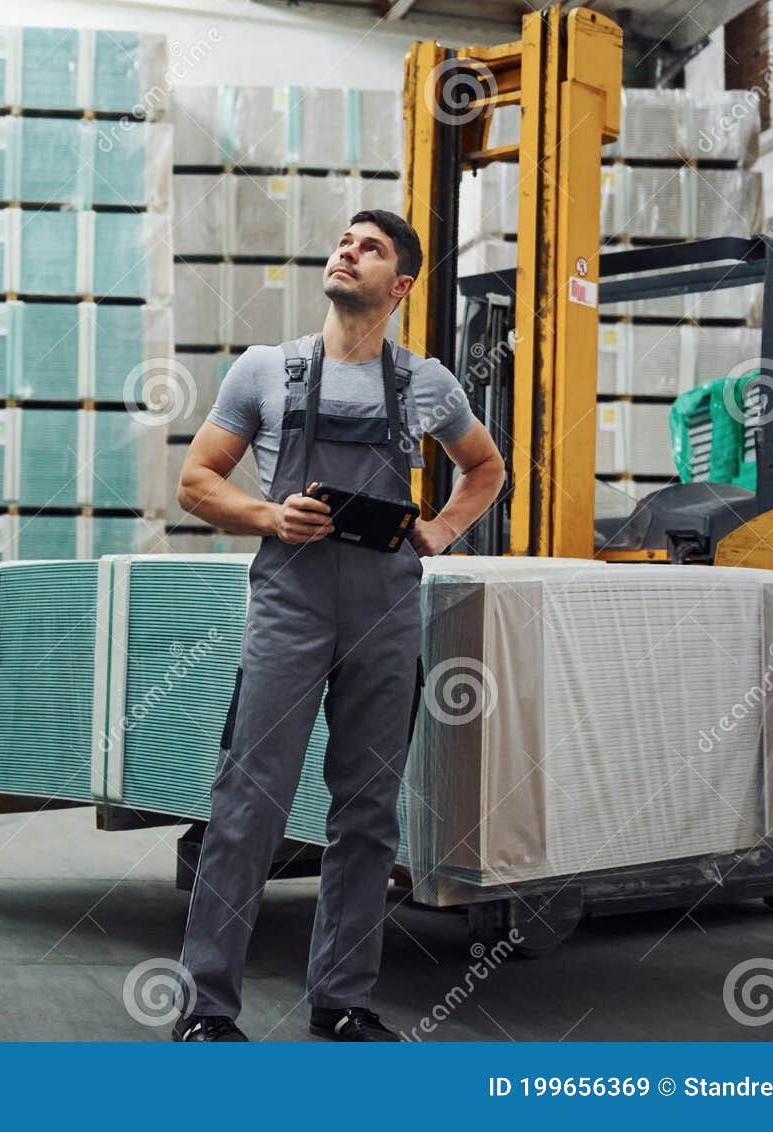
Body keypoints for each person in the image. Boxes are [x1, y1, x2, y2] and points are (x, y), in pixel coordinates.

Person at [170, 210, 505, 1042]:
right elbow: (195, 482)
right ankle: (207, 1008)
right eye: (344, 240)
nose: (347, 251)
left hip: (386, 610)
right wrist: (267, 515)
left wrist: (438, 532)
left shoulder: (427, 384)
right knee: (249, 802)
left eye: (372, 247)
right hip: (291, 601)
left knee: (367, 811)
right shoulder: (265, 371)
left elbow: (485, 467)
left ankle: (344, 1000)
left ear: (399, 286)